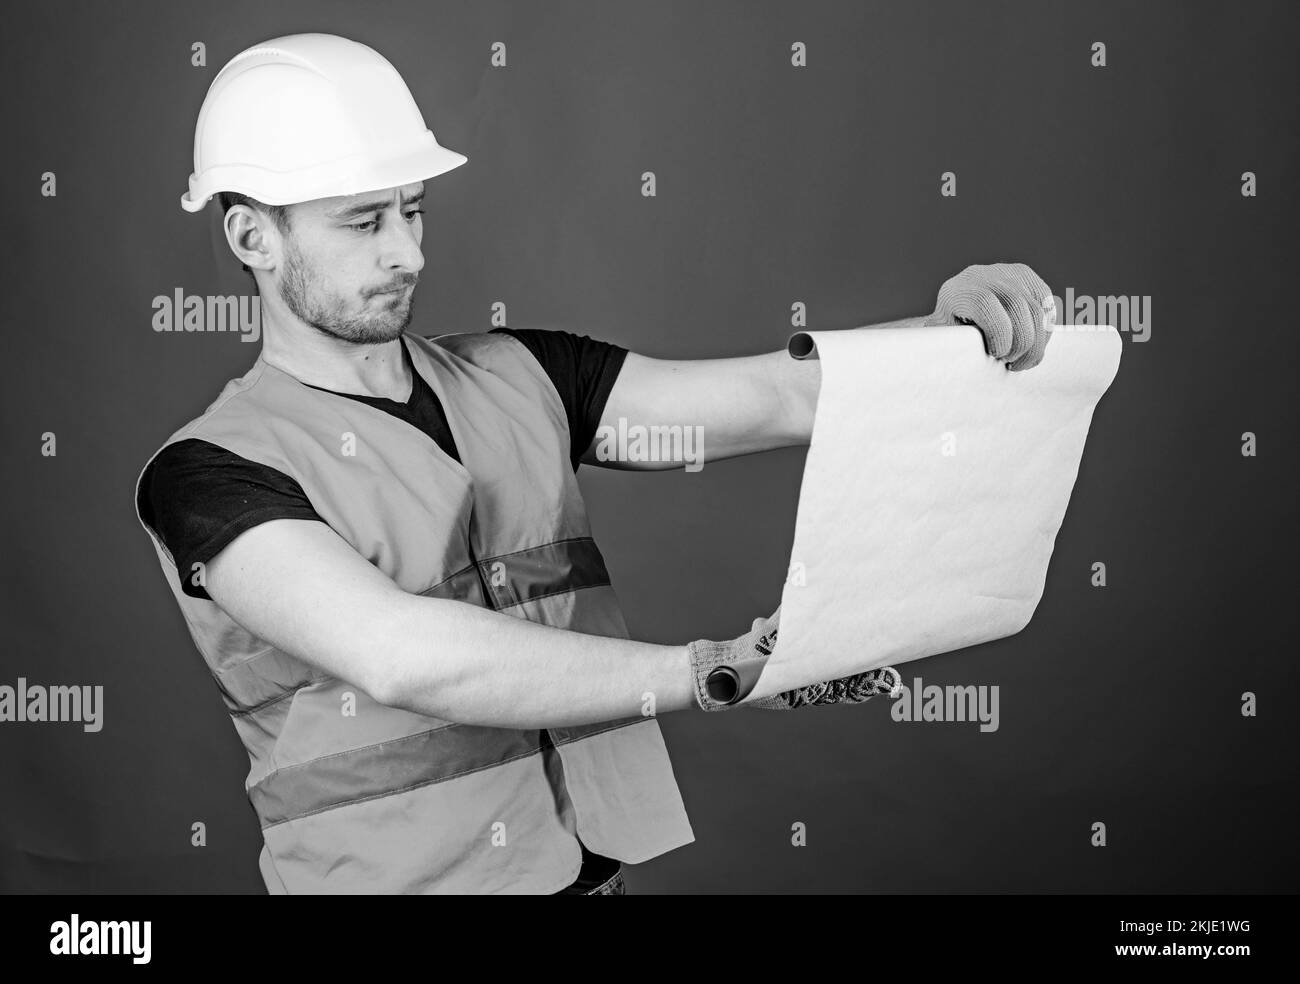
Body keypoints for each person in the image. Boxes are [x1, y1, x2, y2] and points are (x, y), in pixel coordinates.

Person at [136, 33, 1054, 895]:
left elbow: (783, 396)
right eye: (364, 222)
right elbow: (403, 657)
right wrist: (717, 669)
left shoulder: (523, 373)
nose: (408, 252)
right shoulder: (209, 472)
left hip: (591, 870)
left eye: (413, 211)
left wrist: (948, 342)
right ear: (254, 237)